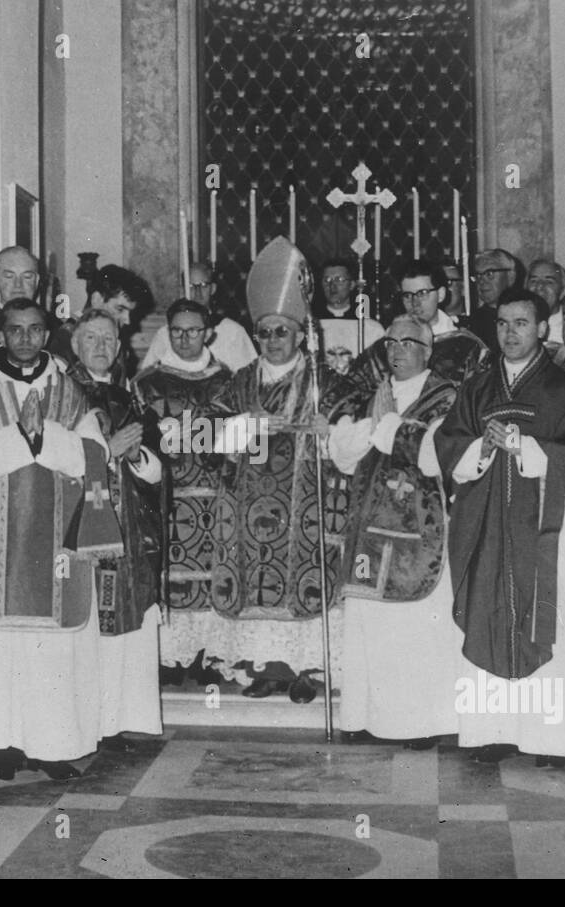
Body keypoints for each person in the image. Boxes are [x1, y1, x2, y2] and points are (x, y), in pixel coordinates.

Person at [0, 298, 119, 781]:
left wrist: (42, 438)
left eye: (35, 330)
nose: (25, 339)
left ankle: (53, 743)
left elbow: (95, 453)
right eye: (15, 330)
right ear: (1, 336)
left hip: (56, 545)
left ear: (47, 336)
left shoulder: (69, 394)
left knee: (52, 650)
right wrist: (23, 441)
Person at [434, 287, 565, 764]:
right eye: (504, 324)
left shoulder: (563, 389)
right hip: (487, 524)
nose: (511, 333)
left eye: (522, 324)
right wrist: (483, 450)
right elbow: (450, 446)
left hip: (546, 526)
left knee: (551, 613)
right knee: (488, 608)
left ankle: (553, 738)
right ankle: (492, 731)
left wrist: (523, 447)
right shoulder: (477, 387)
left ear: (542, 328)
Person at [203, 237, 360, 698]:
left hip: (307, 502)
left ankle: (310, 669)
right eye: (265, 333)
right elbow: (204, 434)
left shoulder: (325, 381)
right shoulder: (239, 381)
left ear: (299, 334)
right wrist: (243, 425)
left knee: (307, 583)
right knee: (257, 582)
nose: (273, 341)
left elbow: (353, 426)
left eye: (282, 332)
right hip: (248, 504)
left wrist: (329, 427)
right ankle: (269, 667)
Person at [330, 314, 462, 748]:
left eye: (410, 342)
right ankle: (365, 717)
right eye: (391, 342)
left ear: (428, 351)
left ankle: (420, 724)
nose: (399, 349)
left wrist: (387, 425)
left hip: (418, 535)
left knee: (415, 632)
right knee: (371, 628)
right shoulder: (370, 394)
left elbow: (433, 456)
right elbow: (342, 454)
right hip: (369, 530)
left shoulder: (447, 396)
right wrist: (374, 422)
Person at [66, 308, 165, 750]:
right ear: (75, 345)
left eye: (108, 339)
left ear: (120, 347)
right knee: (90, 623)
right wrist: (107, 450)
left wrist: (136, 457)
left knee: (128, 624)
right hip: (83, 528)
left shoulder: (134, 396)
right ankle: (88, 722)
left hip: (130, 528)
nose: (101, 347)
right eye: (91, 339)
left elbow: (159, 469)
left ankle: (117, 720)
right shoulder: (64, 395)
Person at [135, 299, 234, 679]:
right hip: (168, 497)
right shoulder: (147, 383)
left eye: (194, 331)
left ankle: (209, 655)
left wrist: (193, 433)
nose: (185, 338)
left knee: (212, 574)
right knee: (169, 572)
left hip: (216, 494)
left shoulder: (229, 380)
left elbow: (249, 441)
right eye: (177, 330)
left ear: (208, 333)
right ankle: (171, 656)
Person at [139, 262, 256, 373]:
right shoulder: (166, 334)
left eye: (204, 285)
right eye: (191, 286)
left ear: (213, 289)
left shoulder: (233, 332)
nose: (198, 292)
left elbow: (248, 379)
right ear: (182, 290)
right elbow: (147, 376)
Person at [397, 258, 487, 387]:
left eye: (422, 293)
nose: (414, 303)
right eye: (407, 295)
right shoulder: (391, 342)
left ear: (440, 294)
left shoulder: (467, 347)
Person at [53, 264, 153, 370]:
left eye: (130, 313)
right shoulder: (65, 339)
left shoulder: (117, 337)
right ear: (97, 300)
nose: (127, 321)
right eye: (120, 309)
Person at [464, 248, 519, 353]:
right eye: (478, 275)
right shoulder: (473, 322)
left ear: (511, 276)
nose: (481, 281)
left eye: (489, 274)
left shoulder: (525, 314)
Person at [526, 258, 565, 345]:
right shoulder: (513, 324)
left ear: (563, 292)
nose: (539, 287)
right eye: (533, 281)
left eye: (549, 282)